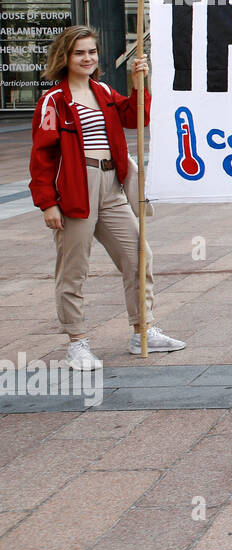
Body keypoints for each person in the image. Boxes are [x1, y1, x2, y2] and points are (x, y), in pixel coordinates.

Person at [29, 25, 186, 369]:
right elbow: (41, 156)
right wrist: (48, 203)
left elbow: (135, 117)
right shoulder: (53, 101)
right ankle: (77, 341)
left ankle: (142, 330)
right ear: (65, 57)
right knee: (74, 269)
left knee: (138, 254)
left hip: (111, 184)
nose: (87, 58)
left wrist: (137, 81)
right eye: (79, 53)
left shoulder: (101, 91)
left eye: (91, 52)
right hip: (75, 187)